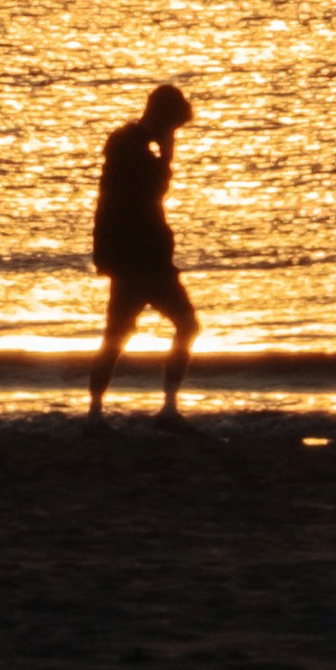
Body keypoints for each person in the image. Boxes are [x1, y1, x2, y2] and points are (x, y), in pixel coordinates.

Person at [87, 81, 200, 423]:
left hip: (144, 256)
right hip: (137, 258)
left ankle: (157, 408)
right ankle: (101, 412)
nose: (174, 134)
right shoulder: (130, 144)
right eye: (174, 127)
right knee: (122, 335)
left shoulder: (131, 142)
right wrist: (166, 155)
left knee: (170, 327)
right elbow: (150, 191)